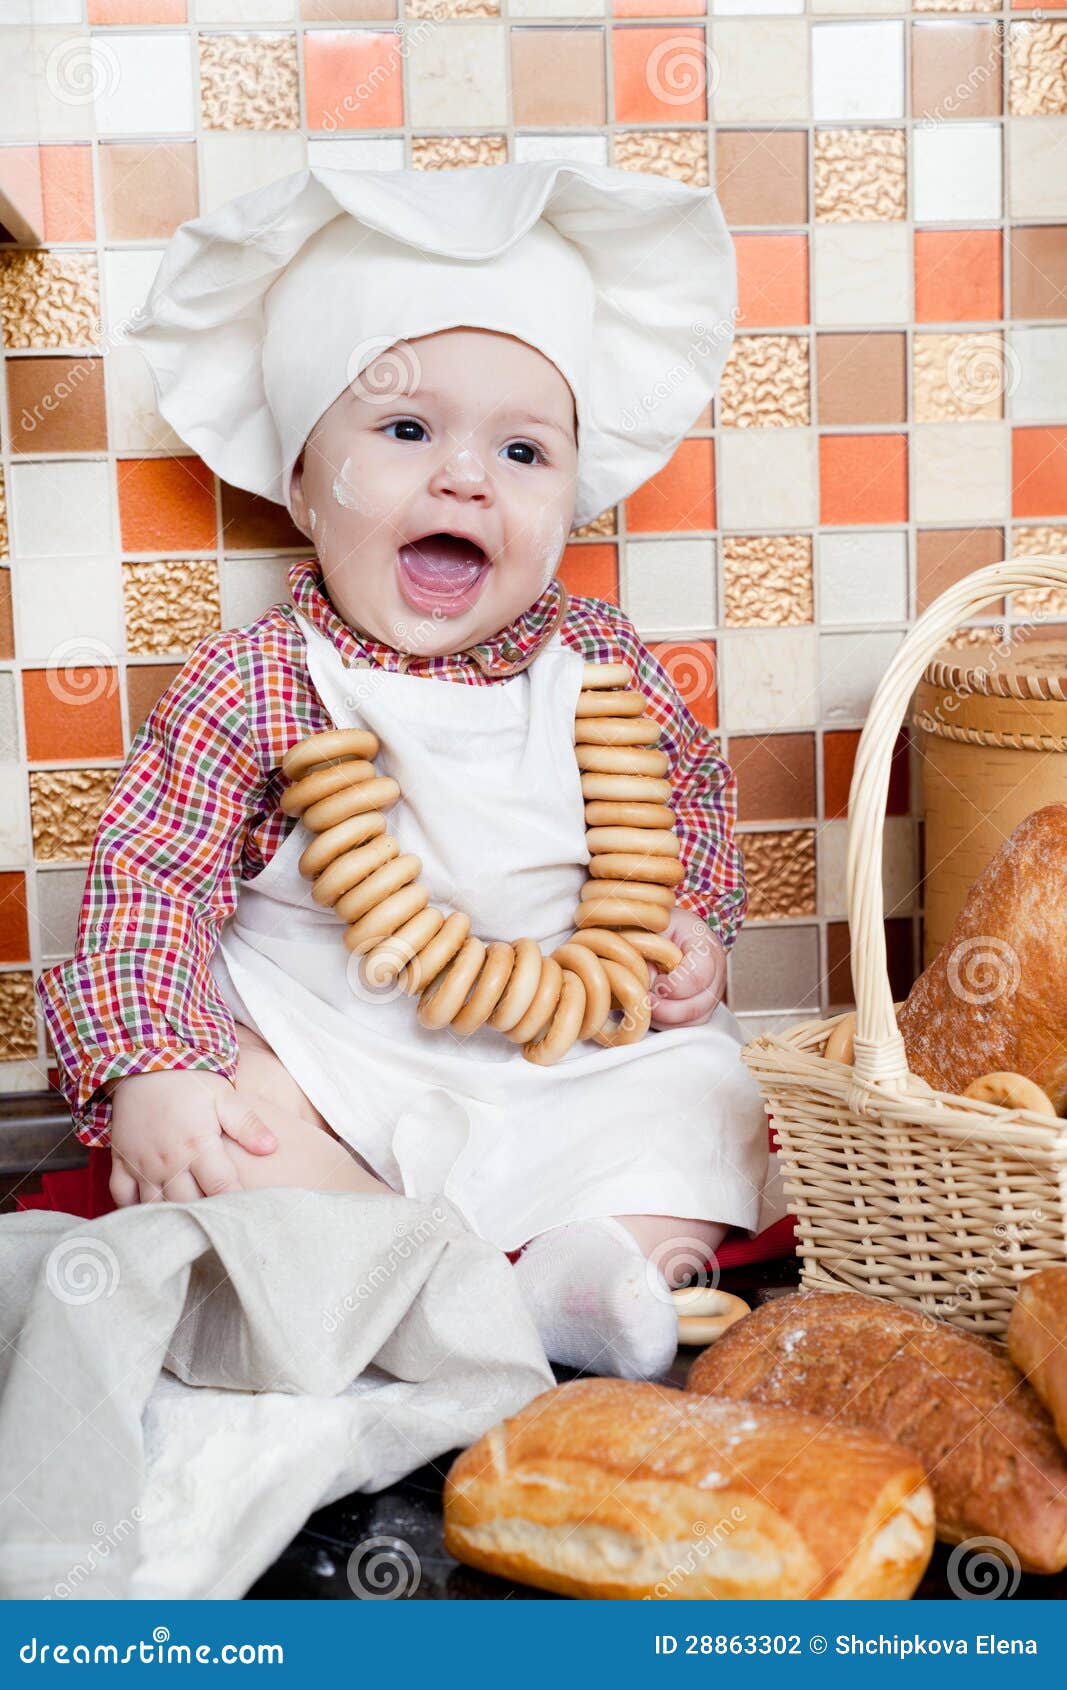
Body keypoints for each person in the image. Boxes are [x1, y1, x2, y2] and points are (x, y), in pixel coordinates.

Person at [35, 160, 782, 1380]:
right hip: (339, 1056)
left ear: (568, 500)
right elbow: (151, 884)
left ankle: (594, 1274)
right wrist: (156, 1067)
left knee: (703, 1095)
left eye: (525, 452)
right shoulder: (255, 682)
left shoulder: (602, 667)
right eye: (403, 428)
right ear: (302, 484)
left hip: (567, 1051)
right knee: (235, 1116)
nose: (466, 477)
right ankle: (396, 1273)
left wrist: (688, 924)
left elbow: (684, 797)